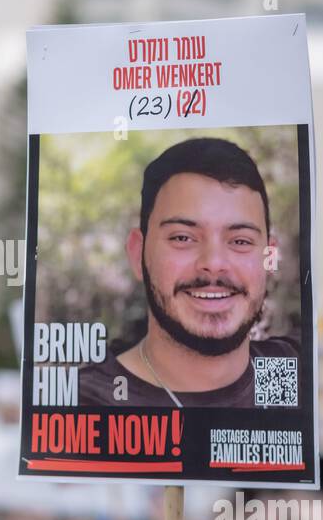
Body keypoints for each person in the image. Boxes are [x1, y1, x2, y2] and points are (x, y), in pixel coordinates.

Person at [77, 138, 298, 408]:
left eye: (240, 241)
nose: (214, 263)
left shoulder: (285, 373)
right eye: (183, 238)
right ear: (138, 254)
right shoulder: (87, 403)